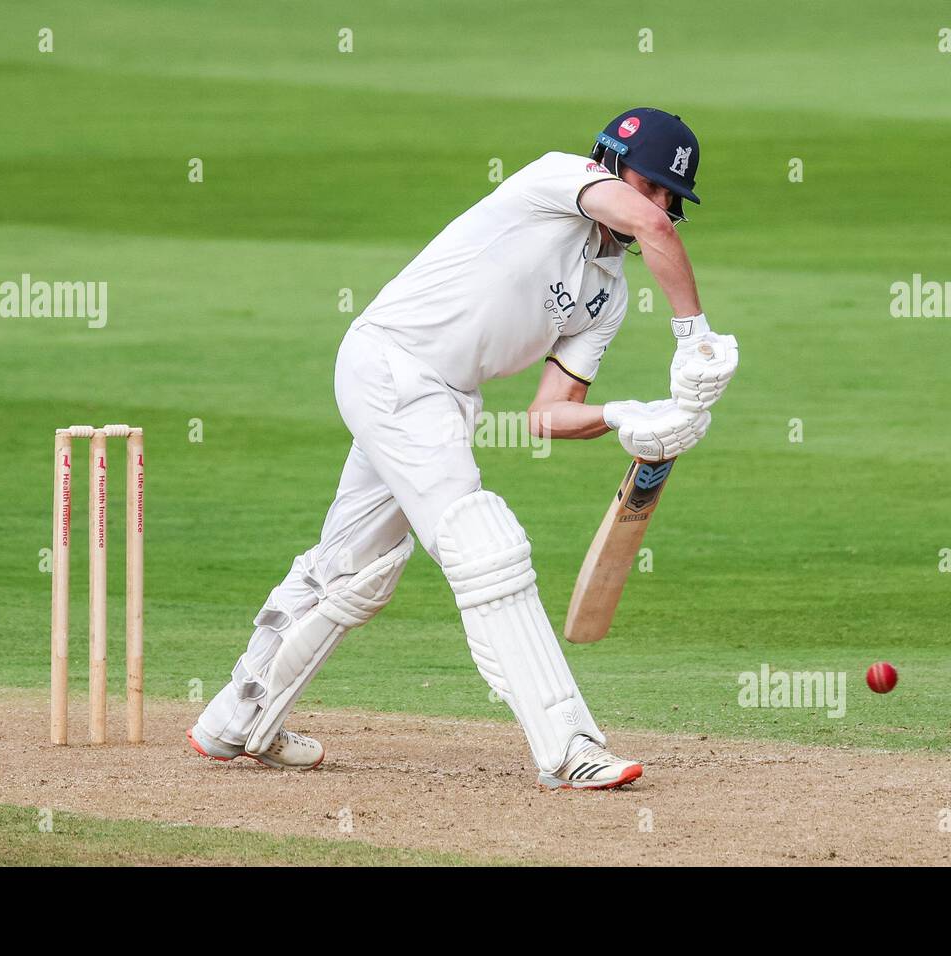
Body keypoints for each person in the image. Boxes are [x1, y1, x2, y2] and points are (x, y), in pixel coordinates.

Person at [188, 107, 739, 790]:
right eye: (649, 184)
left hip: (443, 398)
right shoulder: (557, 177)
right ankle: (568, 746)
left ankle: (234, 720)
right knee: (486, 546)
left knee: (358, 567)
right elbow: (649, 227)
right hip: (391, 361)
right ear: (610, 164)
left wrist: (628, 418)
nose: (657, 205)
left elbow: (547, 415)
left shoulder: (608, 296)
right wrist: (695, 335)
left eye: (667, 195)